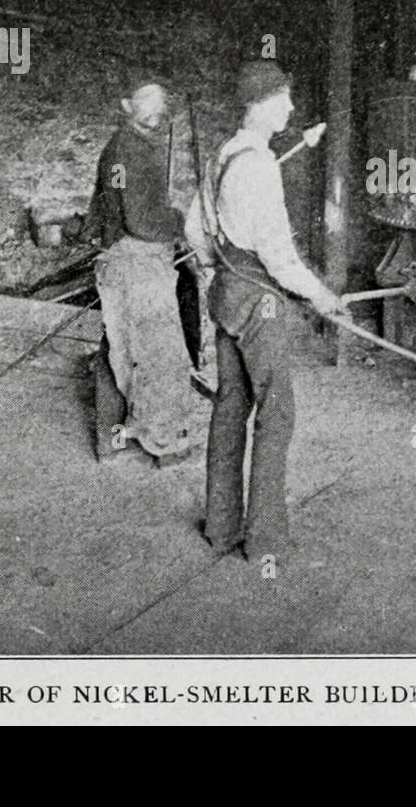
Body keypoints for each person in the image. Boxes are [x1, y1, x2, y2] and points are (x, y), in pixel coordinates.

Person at [188, 61, 345, 560]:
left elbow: (194, 229)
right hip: (259, 305)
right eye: (285, 99)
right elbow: (279, 259)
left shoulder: (225, 155)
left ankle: (221, 525)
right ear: (261, 103)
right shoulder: (257, 167)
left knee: (231, 405)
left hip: (226, 297)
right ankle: (265, 539)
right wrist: (320, 295)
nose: (292, 108)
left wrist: (220, 260)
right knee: (277, 412)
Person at [84, 82, 200, 458]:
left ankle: (112, 438)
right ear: (125, 104)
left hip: (121, 258)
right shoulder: (129, 151)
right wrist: (182, 223)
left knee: (122, 348)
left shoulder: (121, 146)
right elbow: (141, 221)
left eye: (160, 100)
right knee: (161, 355)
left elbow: (114, 206)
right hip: (137, 262)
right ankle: (161, 442)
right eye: (145, 99)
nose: (155, 107)